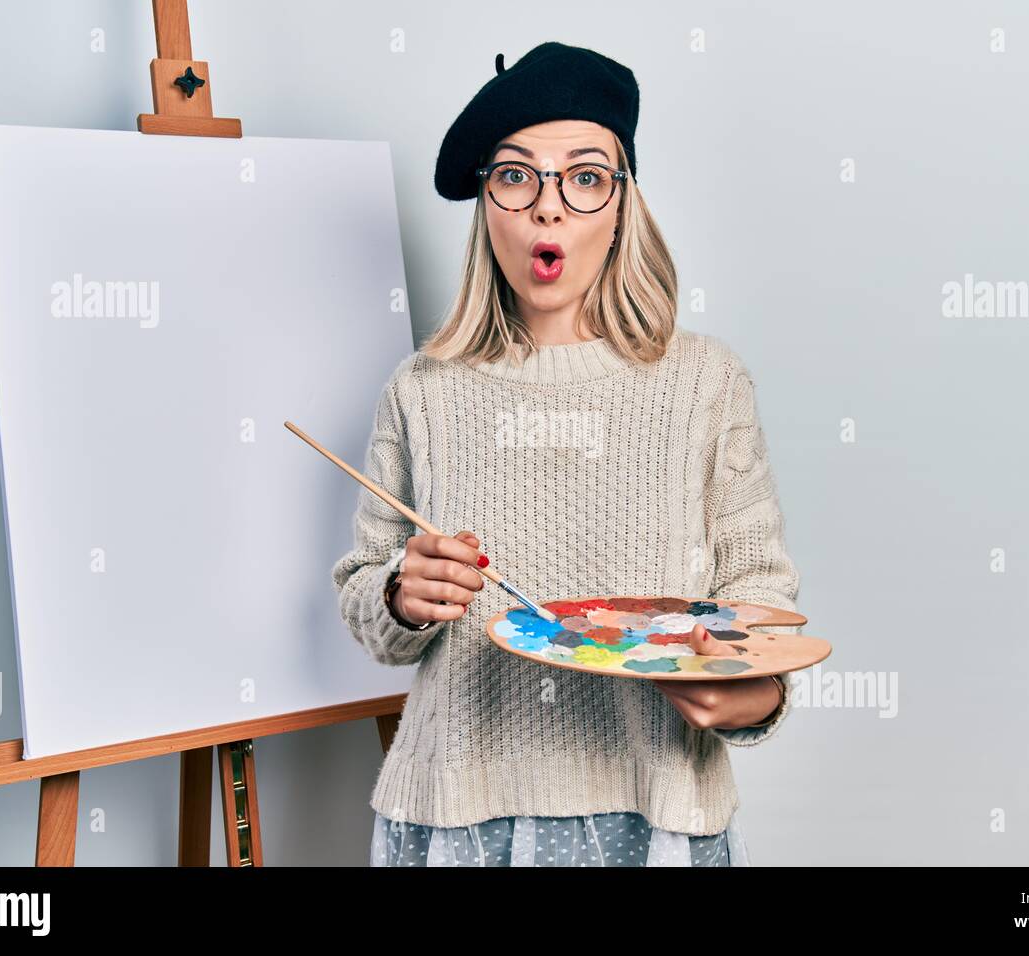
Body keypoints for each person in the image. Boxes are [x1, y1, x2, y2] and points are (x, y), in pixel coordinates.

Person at [333, 41, 801, 867]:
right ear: (488, 205)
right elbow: (368, 599)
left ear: (623, 207)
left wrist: (753, 694)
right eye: (517, 176)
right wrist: (404, 593)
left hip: (653, 808)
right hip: (457, 820)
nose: (548, 208)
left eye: (585, 178)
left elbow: (757, 596)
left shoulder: (707, 382)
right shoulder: (423, 390)